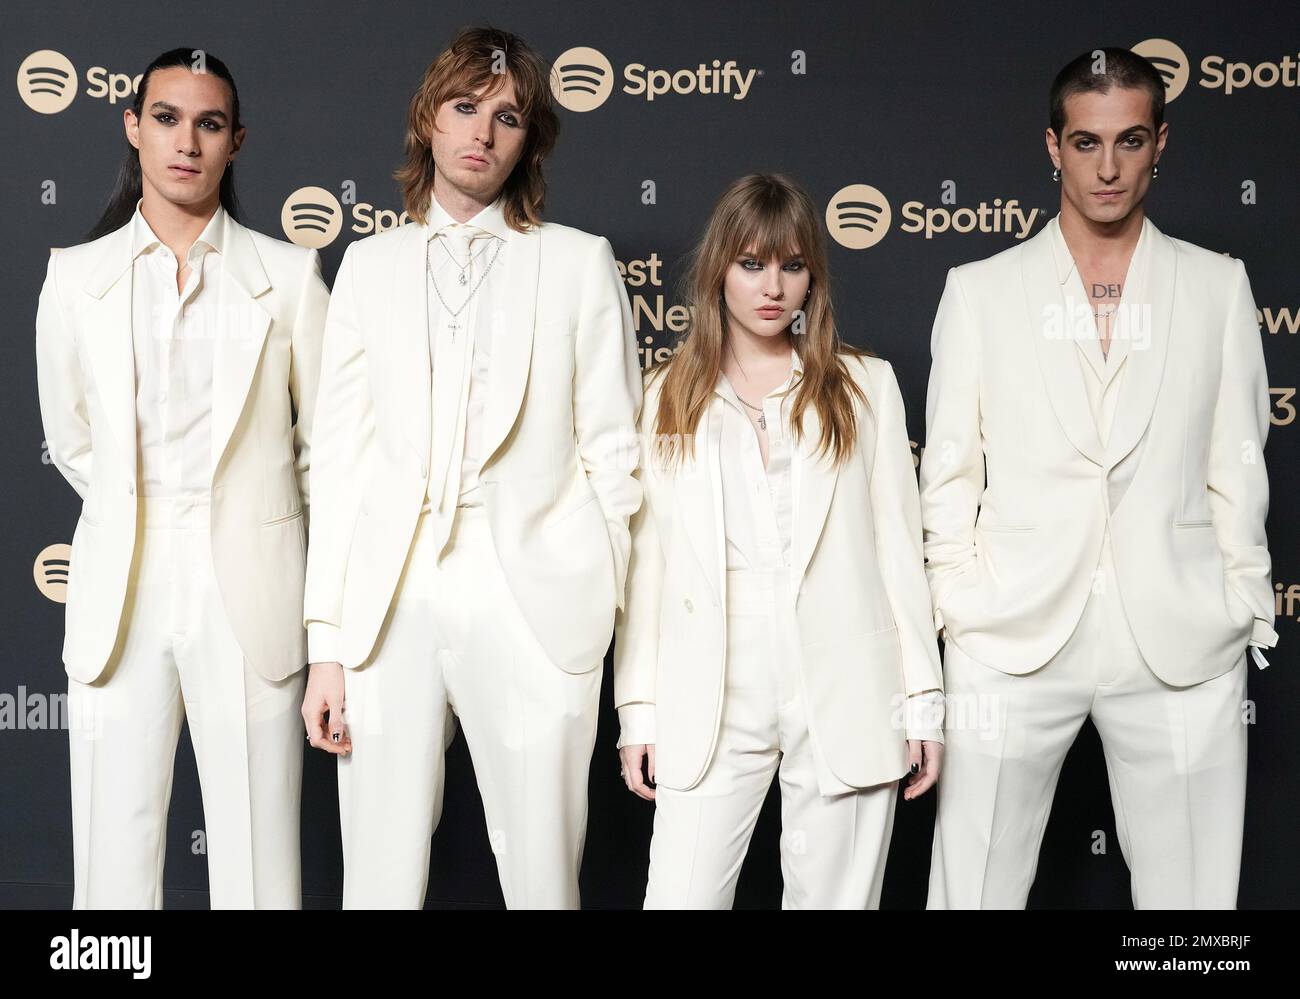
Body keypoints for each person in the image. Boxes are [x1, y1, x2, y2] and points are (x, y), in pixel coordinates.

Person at [920, 47, 1276, 909]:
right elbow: (948, 472)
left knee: (1192, 908)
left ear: (1161, 143)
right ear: (1052, 147)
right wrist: (959, 600)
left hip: (1181, 635)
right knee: (973, 889)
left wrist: (1239, 600)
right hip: (1010, 634)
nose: (1108, 167)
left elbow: (1238, 458)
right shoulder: (980, 290)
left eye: (1129, 140)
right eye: (1086, 142)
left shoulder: (1217, 286)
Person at [301, 26, 642, 909]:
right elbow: (337, 461)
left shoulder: (578, 261)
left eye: (507, 117)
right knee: (377, 876)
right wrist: (327, 646)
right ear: (428, 118)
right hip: (391, 594)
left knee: (542, 875)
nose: (481, 134)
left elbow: (615, 448)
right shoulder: (366, 268)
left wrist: (597, 583)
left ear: (530, 140)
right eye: (464, 108)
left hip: (535, 594)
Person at [35, 47, 329, 908]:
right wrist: (141, 517)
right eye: (166, 118)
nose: (185, 142)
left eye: (207, 123)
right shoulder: (74, 278)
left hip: (252, 579)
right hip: (121, 576)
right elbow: (73, 438)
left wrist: (260, 521)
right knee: (111, 857)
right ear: (133, 128)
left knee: (259, 859)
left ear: (236, 141)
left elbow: (322, 446)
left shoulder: (290, 276)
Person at [613, 174, 944, 909]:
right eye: (752, 263)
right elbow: (650, 566)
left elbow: (898, 550)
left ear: (812, 279)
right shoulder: (664, 393)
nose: (773, 286)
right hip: (710, 686)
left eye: (792, 265)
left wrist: (922, 700)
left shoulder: (866, 386)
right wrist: (639, 708)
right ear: (718, 271)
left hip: (848, 682)